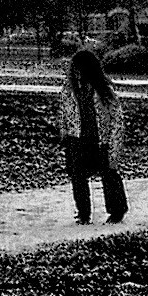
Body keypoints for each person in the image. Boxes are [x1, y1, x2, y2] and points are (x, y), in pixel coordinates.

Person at [58, 46, 128, 224]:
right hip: (76, 139)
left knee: (109, 173)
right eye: (74, 69)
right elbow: (64, 114)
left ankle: (117, 210)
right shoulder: (68, 90)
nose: (76, 73)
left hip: (100, 140)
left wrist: (115, 141)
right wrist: (65, 134)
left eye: (80, 69)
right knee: (78, 177)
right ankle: (83, 213)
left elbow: (117, 118)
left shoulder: (104, 90)